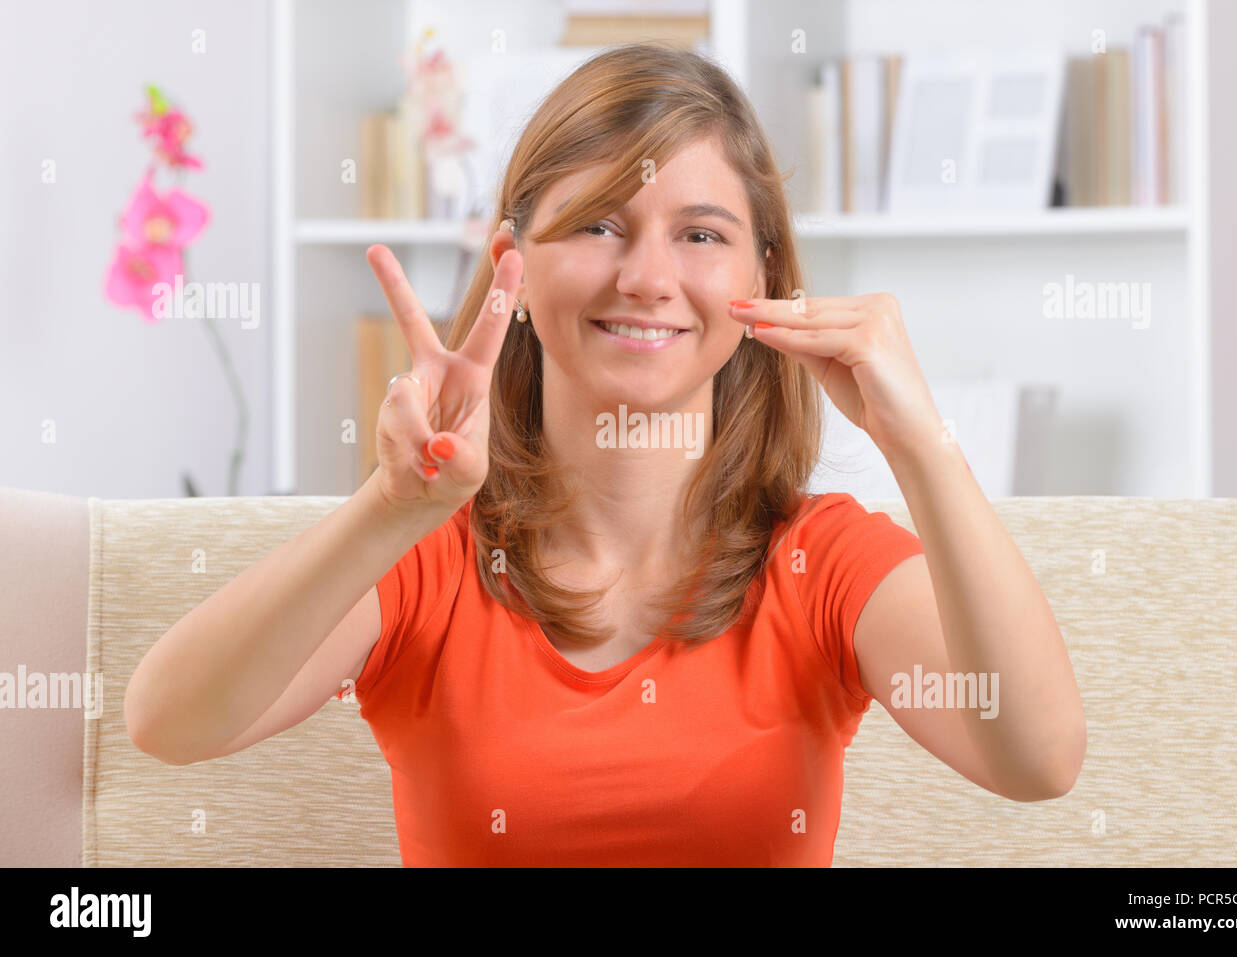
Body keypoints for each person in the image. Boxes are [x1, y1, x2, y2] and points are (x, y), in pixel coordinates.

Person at [124, 42, 1085, 867]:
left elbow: (1037, 760)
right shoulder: (433, 555)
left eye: (701, 234)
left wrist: (919, 440)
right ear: (514, 262)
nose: (647, 278)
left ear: (767, 280)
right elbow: (170, 722)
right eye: (597, 224)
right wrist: (391, 507)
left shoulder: (819, 561)